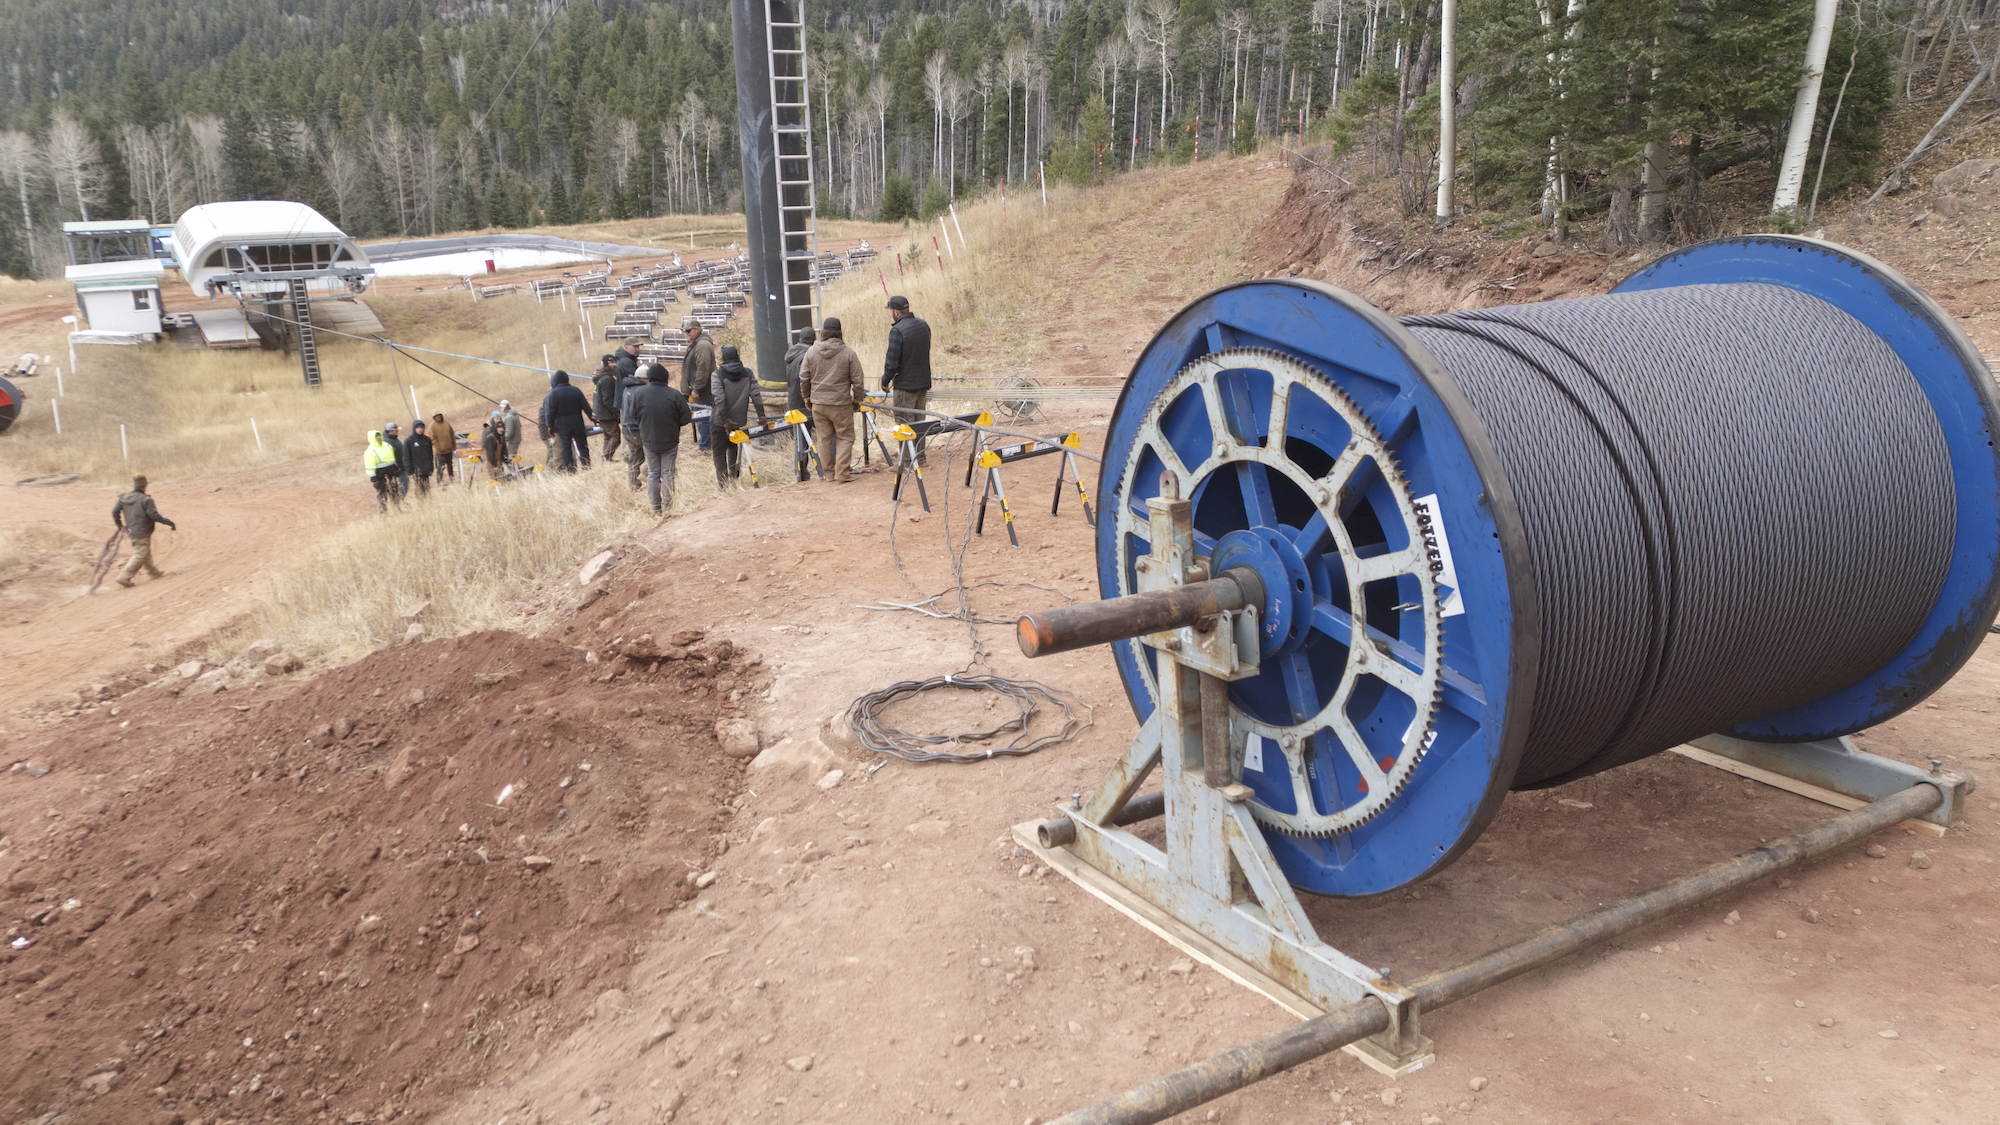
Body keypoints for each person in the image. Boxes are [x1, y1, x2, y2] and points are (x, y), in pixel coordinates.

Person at [800, 317, 866, 484]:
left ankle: (829, 474)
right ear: (840, 332)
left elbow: (803, 377)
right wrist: (858, 400)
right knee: (845, 437)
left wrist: (807, 397)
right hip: (841, 404)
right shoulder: (848, 353)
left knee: (823, 439)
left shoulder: (811, 352)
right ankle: (842, 473)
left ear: (823, 332)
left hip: (818, 404)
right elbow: (858, 380)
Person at [623, 362, 693, 514]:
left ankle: (655, 507)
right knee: (668, 473)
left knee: (653, 474)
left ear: (650, 377)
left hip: (648, 439)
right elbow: (686, 418)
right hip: (670, 440)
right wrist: (674, 424)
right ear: (665, 377)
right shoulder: (674, 394)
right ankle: (668, 507)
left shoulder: (640, 393)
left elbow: (633, 414)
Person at [883, 295, 933, 464]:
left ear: (896, 312)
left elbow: (892, 362)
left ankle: (906, 461)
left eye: (891, 310)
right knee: (920, 423)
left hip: (905, 386)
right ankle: (920, 457)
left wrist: (885, 381)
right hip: (923, 383)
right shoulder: (923, 325)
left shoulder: (897, 331)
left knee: (904, 423)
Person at [710, 344, 770, 488]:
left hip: (720, 421)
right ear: (737, 356)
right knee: (733, 448)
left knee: (719, 452)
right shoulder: (748, 373)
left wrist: (726, 420)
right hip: (738, 421)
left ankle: (724, 485)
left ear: (723, 357)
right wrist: (761, 415)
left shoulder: (717, 375)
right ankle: (734, 478)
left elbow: (719, 399)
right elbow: (756, 395)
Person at [112, 473, 177, 587]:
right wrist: (168, 522)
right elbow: (154, 516)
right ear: (145, 486)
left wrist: (120, 526)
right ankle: (124, 577)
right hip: (142, 531)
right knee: (140, 553)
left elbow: (114, 512)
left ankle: (153, 572)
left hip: (132, 530)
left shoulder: (124, 498)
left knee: (144, 550)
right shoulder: (146, 500)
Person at [542, 370, 596, 471]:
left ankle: (570, 470)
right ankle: (586, 466)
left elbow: (550, 412)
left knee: (566, 448)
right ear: (567, 379)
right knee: (582, 445)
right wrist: (593, 418)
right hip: (577, 421)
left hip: (563, 425)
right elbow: (586, 406)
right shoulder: (576, 390)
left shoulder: (554, 393)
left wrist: (550, 426)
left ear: (556, 381)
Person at [680, 321, 717, 452]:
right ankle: (705, 444)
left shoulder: (702, 345)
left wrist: (696, 389)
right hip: (700, 389)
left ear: (697, 329)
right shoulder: (697, 343)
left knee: (703, 418)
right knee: (701, 417)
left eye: (688, 331)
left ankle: (705, 447)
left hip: (703, 391)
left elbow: (703, 369)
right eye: (685, 331)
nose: (686, 334)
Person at [619, 355, 651, 490]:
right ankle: (646, 473)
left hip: (626, 429)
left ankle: (634, 485)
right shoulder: (641, 390)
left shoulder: (627, 388)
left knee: (634, 458)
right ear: (645, 379)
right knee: (654, 452)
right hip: (638, 428)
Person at [593, 352, 624, 464]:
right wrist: (617, 413)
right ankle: (606, 458)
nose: (616, 365)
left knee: (608, 437)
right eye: (613, 363)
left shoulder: (601, 378)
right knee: (616, 437)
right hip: (606, 414)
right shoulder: (607, 380)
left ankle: (606, 461)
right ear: (606, 365)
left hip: (600, 413)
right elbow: (608, 400)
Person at [364, 429, 403, 512]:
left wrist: (396, 469)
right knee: (382, 495)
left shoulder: (387, 445)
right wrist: (373, 478)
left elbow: (393, 459)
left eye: (379, 436)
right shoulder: (370, 451)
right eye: (376, 436)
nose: (378, 437)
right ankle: (383, 513)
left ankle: (397, 510)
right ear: (372, 438)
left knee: (395, 493)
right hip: (380, 476)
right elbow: (369, 466)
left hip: (392, 473)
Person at [430, 412, 457, 485]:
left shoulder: (447, 424)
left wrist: (453, 445)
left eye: (439, 415)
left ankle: (451, 478)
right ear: (434, 417)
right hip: (440, 451)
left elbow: (452, 435)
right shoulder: (432, 426)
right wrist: (438, 447)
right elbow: (432, 438)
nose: (438, 417)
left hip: (449, 449)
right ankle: (439, 480)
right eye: (436, 416)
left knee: (450, 465)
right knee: (441, 466)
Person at [480, 416, 505, 481]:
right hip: (492, 463)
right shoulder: (490, 438)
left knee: (502, 480)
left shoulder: (501, 437)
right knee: (494, 480)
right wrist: (494, 465)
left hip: (499, 462)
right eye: (499, 428)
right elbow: (490, 453)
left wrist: (506, 461)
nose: (501, 429)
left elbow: (503, 450)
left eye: (502, 428)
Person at [501, 399, 523, 463]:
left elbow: (509, 432)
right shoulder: (513, 413)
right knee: (513, 456)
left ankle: (515, 468)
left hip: (513, 440)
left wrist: (503, 439)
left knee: (511, 458)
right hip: (516, 438)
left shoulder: (508, 417)